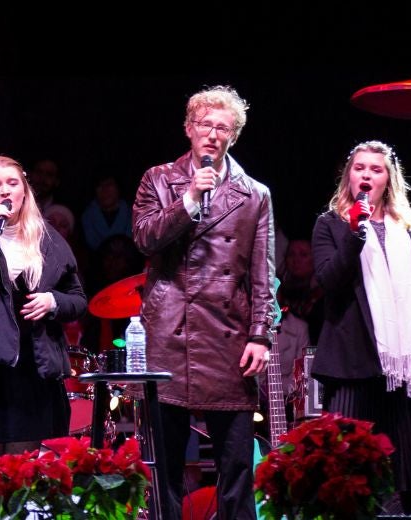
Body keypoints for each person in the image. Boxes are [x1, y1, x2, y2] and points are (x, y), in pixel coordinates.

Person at [132, 85, 276, 520]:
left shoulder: (255, 194)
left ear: (234, 136)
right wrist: (190, 199)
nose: (213, 134)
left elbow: (262, 271)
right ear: (189, 129)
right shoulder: (158, 179)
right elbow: (145, 239)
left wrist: (261, 335)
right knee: (165, 469)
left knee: (236, 470)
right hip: (167, 331)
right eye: (205, 125)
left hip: (228, 338)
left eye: (223, 128)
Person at [310, 140, 411, 496]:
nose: (367, 174)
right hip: (353, 367)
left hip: (410, 370)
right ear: (349, 176)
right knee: (348, 476)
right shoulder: (330, 225)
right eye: (359, 168)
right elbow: (329, 281)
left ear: (388, 179)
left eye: (376, 169)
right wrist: (354, 234)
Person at [0, 155, 87, 491]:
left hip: (32, 366)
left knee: (24, 474)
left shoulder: (46, 236)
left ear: (25, 190)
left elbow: (79, 299)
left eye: (12, 183)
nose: (5, 191)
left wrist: (53, 301)